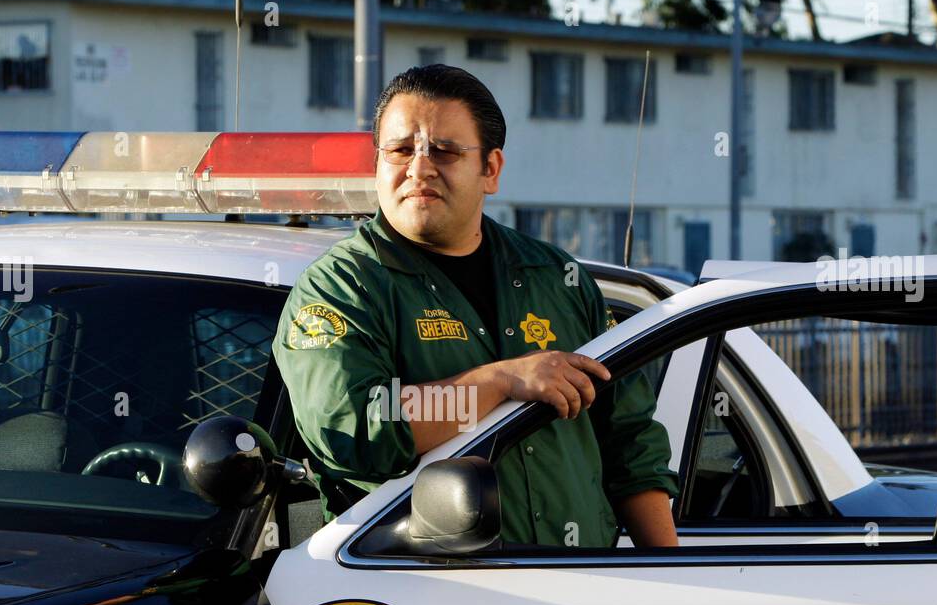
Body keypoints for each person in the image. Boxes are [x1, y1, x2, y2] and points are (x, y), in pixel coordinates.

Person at [273, 64, 678, 548]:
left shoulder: (558, 279)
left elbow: (630, 441)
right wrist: (500, 382)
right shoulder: (342, 288)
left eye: (444, 151)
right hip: (422, 602)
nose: (419, 167)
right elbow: (354, 430)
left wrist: (668, 572)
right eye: (400, 150)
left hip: (581, 586)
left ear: (491, 169)